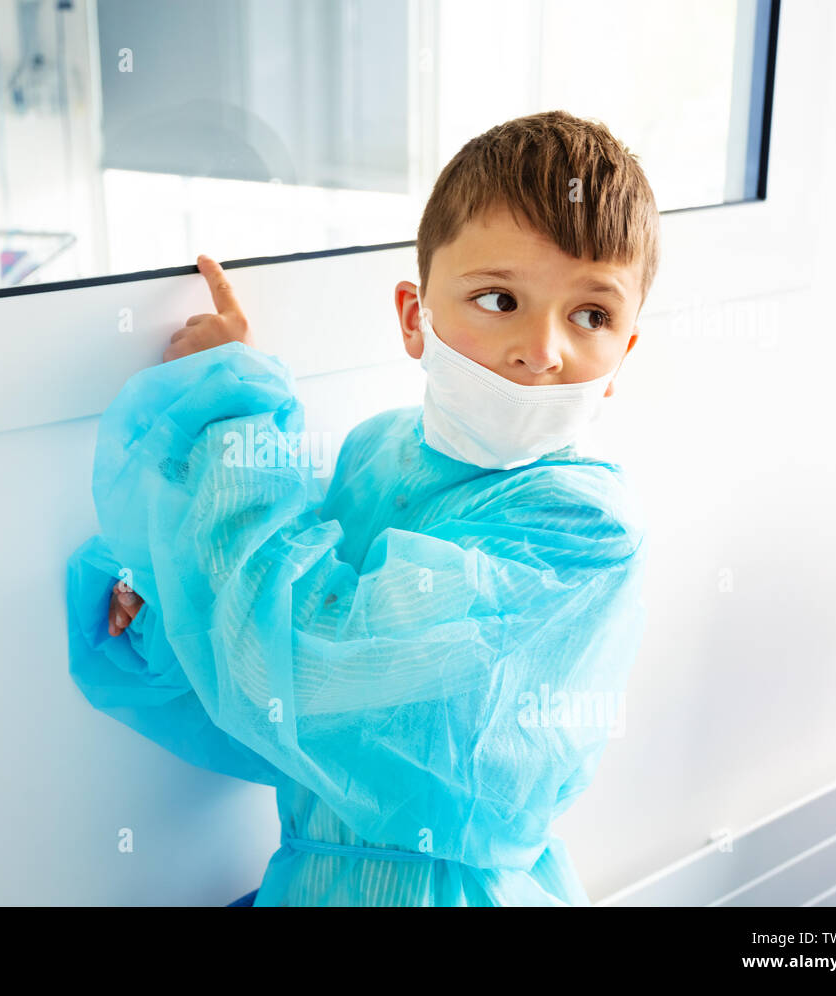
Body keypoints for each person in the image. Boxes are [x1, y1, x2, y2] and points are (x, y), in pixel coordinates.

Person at [66, 110, 659, 906]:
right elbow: (291, 715)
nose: (541, 350)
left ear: (624, 351)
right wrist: (172, 611)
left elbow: (304, 658)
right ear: (416, 318)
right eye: (498, 298)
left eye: (592, 315)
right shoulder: (377, 455)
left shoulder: (582, 529)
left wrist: (234, 422)